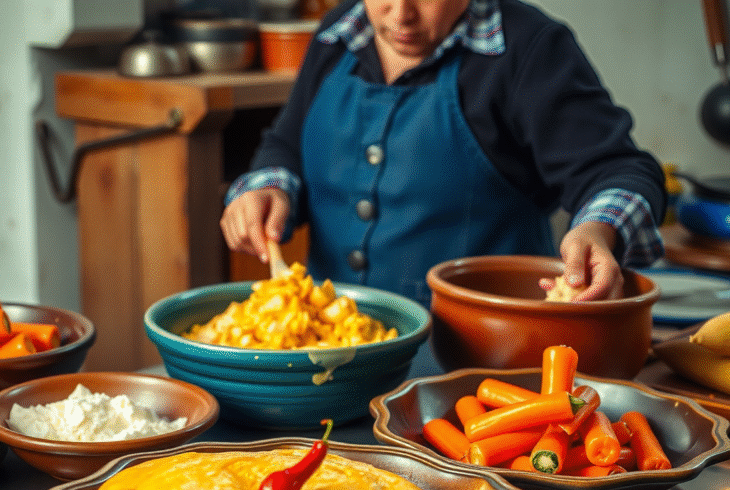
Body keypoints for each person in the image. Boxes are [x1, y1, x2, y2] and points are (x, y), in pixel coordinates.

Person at [219, 0, 666, 304]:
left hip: (479, 361)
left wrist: (598, 230)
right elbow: (286, 147)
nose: (401, 14)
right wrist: (268, 188)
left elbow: (618, 169)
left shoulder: (528, 48)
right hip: (331, 358)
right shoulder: (337, 34)